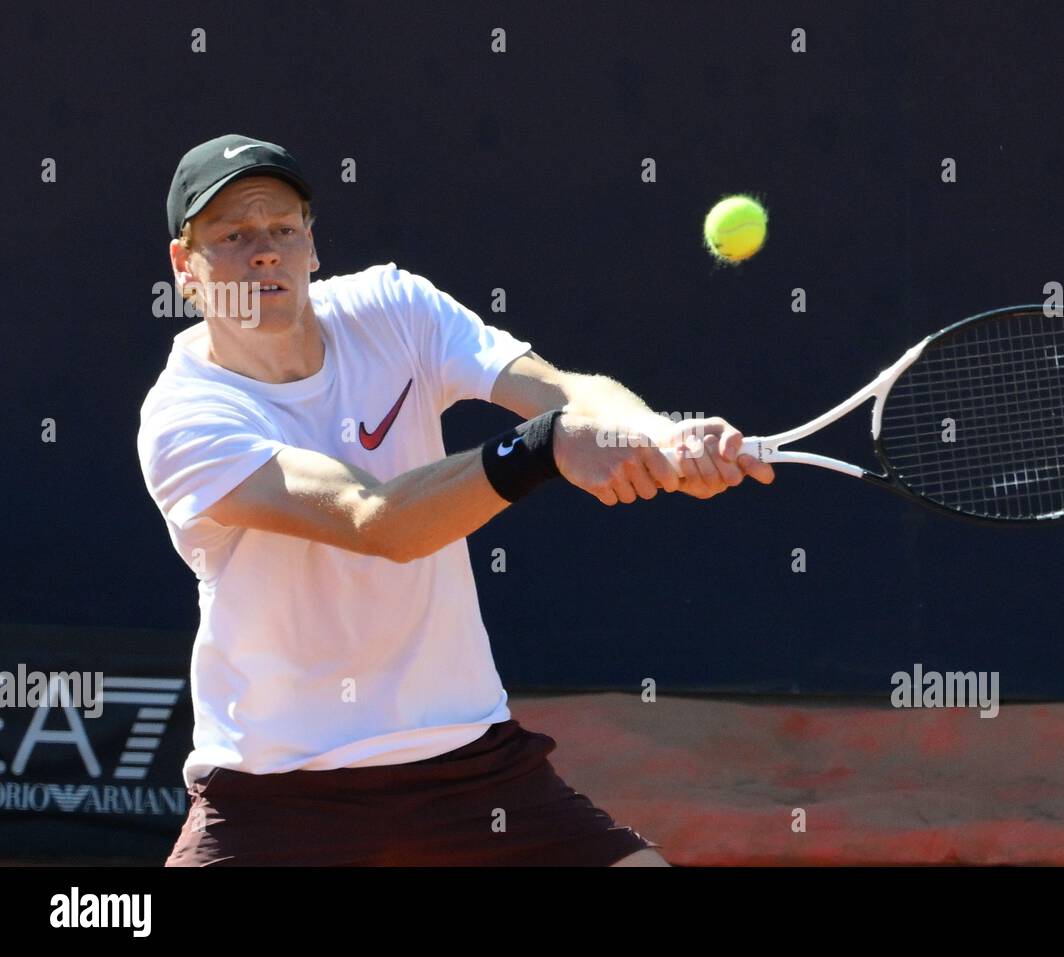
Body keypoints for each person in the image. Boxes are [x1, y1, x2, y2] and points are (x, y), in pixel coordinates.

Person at [137, 134, 774, 866]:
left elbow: (562, 391)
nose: (265, 252)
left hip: (472, 769)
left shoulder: (393, 307)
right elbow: (373, 519)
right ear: (185, 267)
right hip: (279, 796)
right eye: (233, 234)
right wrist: (545, 447)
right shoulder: (185, 417)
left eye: (283, 228)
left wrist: (658, 436)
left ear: (311, 243)